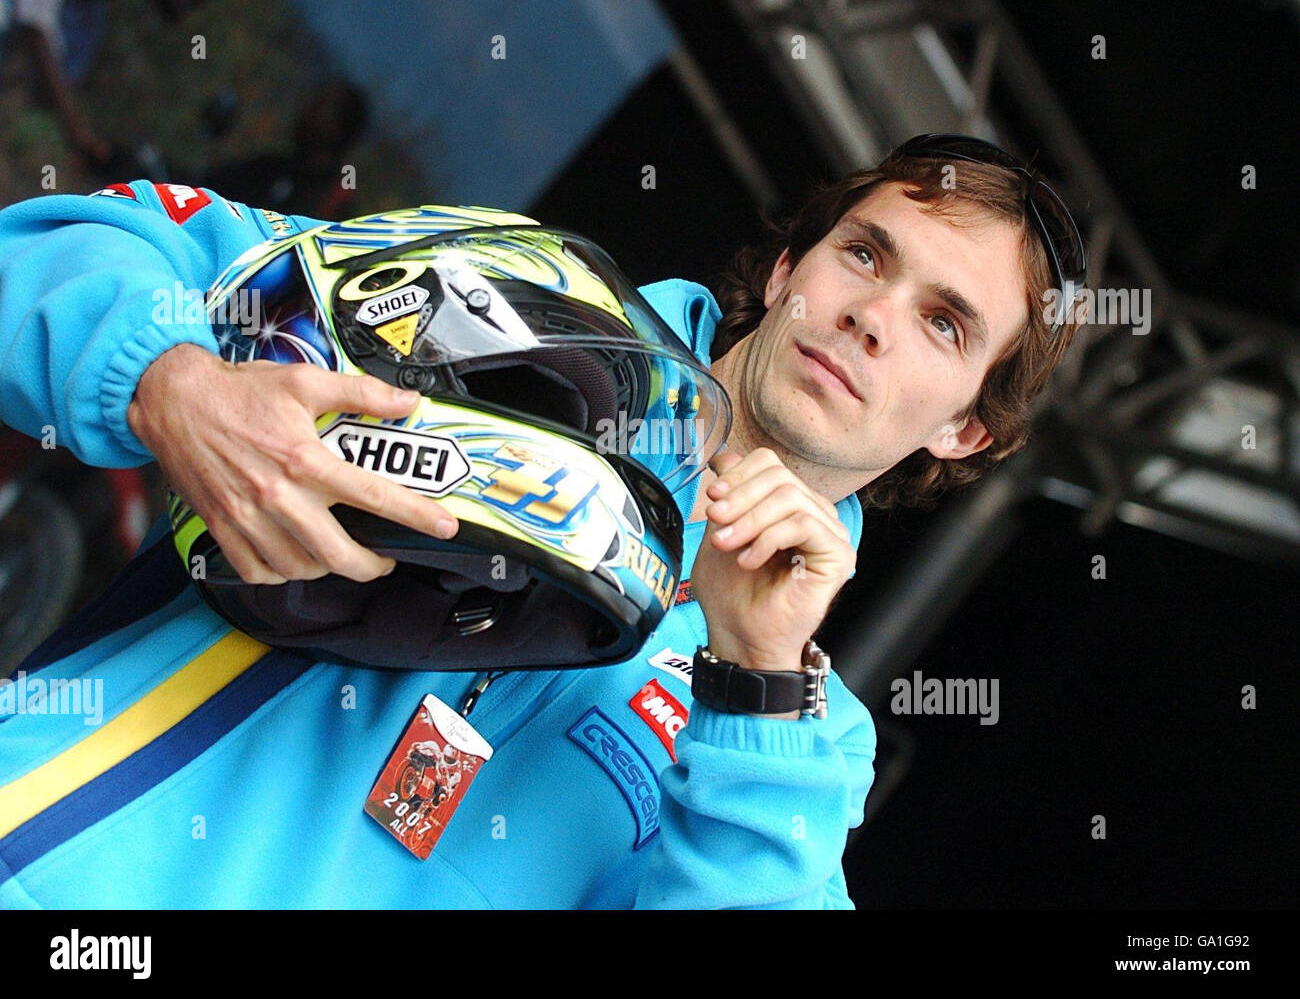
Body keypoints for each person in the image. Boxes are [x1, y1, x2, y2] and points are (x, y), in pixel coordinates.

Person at [0, 135, 1085, 908]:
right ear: (792, 266)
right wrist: (172, 382)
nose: (870, 316)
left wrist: (753, 682)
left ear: (966, 434)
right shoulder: (502, 296)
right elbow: (67, 241)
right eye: (865, 254)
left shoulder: (802, 745)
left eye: (943, 325)